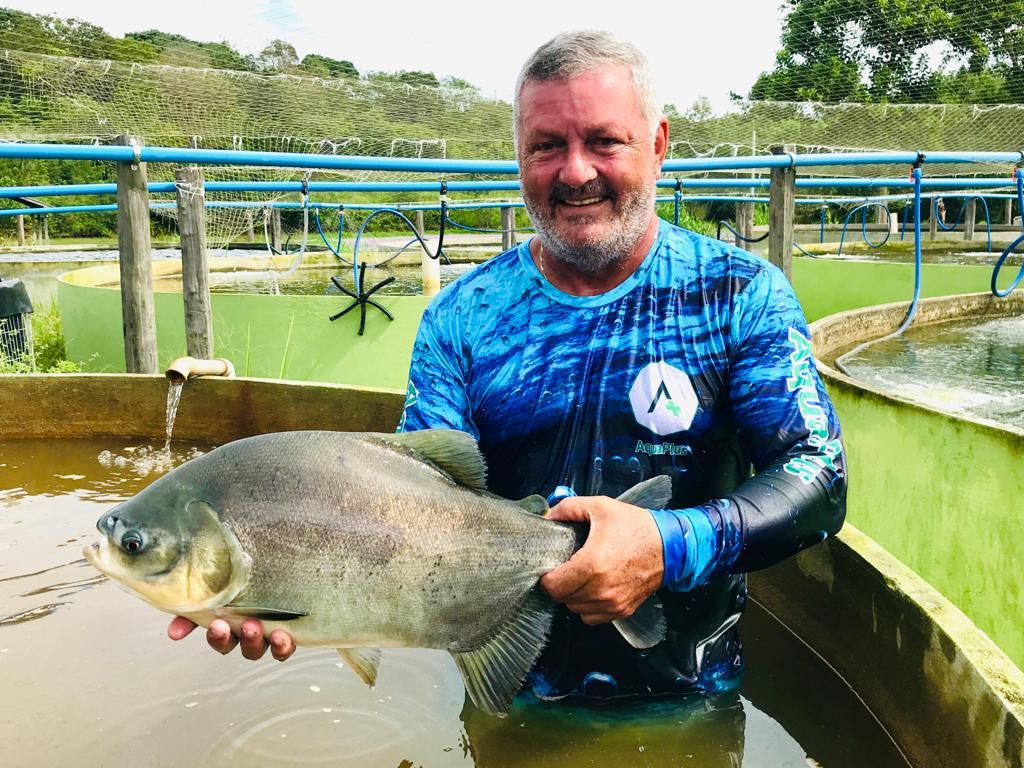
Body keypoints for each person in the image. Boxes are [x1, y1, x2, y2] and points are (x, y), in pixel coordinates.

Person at [169, 30, 847, 702]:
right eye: (547, 146)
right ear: (519, 156)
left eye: (604, 140)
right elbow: (413, 491)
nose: (575, 172)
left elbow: (818, 476)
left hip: (691, 702)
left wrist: (669, 543)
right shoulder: (462, 319)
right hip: (509, 696)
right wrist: (293, 588)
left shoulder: (737, 294)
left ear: (659, 143)